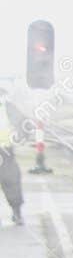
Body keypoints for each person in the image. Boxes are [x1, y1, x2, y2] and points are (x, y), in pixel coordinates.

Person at [0, 86, 26, 224]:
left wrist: (20, 136)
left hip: (5, 151)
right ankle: (17, 214)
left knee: (11, 181)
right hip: (6, 152)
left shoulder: (8, 107)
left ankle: (17, 213)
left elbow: (24, 124)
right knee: (11, 181)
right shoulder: (8, 107)